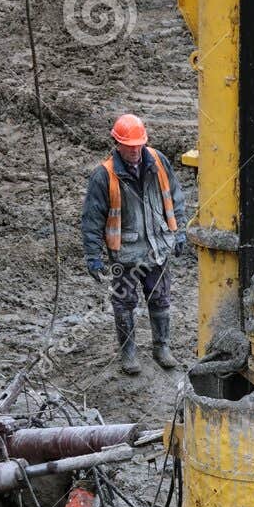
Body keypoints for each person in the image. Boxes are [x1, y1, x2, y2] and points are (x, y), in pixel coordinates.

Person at [80, 113, 187, 375]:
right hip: (125, 254)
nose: (135, 150)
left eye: (139, 144)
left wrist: (180, 231)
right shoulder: (104, 176)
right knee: (124, 303)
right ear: (117, 144)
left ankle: (161, 348)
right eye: (129, 146)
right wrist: (93, 255)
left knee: (160, 299)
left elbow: (175, 197)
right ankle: (128, 353)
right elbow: (92, 219)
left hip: (157, 248)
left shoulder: (158, 162)